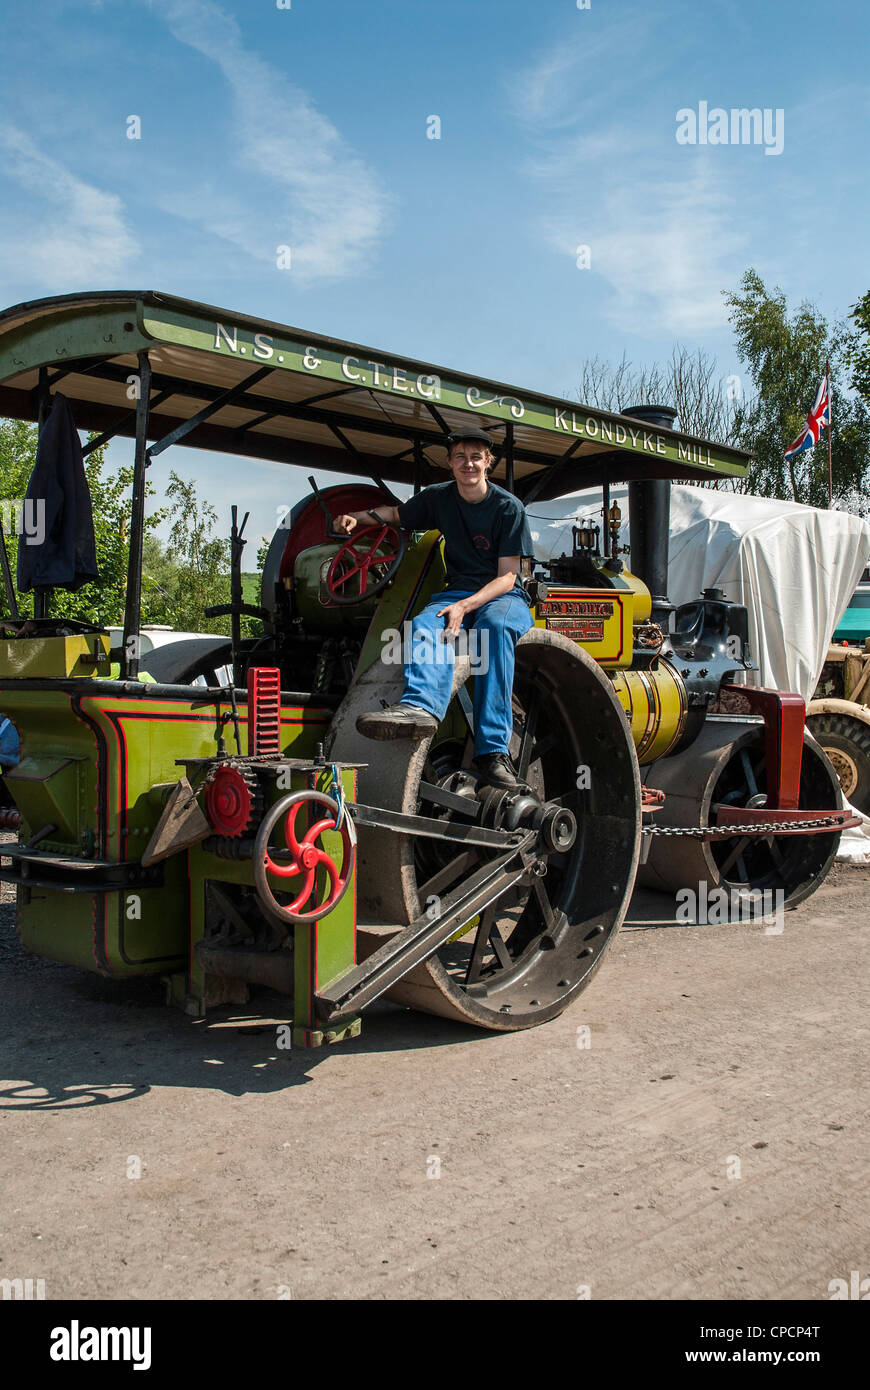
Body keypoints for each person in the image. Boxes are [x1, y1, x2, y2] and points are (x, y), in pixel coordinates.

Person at [333, 426, 535, 790]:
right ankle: (420, 710)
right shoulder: (439, 498)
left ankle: (493, 753)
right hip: (457, 590)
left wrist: (465, 605)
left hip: (504, 596)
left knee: (493, 630)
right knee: (424, 624)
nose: (468, 463)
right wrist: (357, 517)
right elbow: (396, 514)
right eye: (460, 457)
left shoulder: (509, 508)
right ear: (450, 463)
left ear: (488, 462)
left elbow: (508, 577)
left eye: (476, 457)